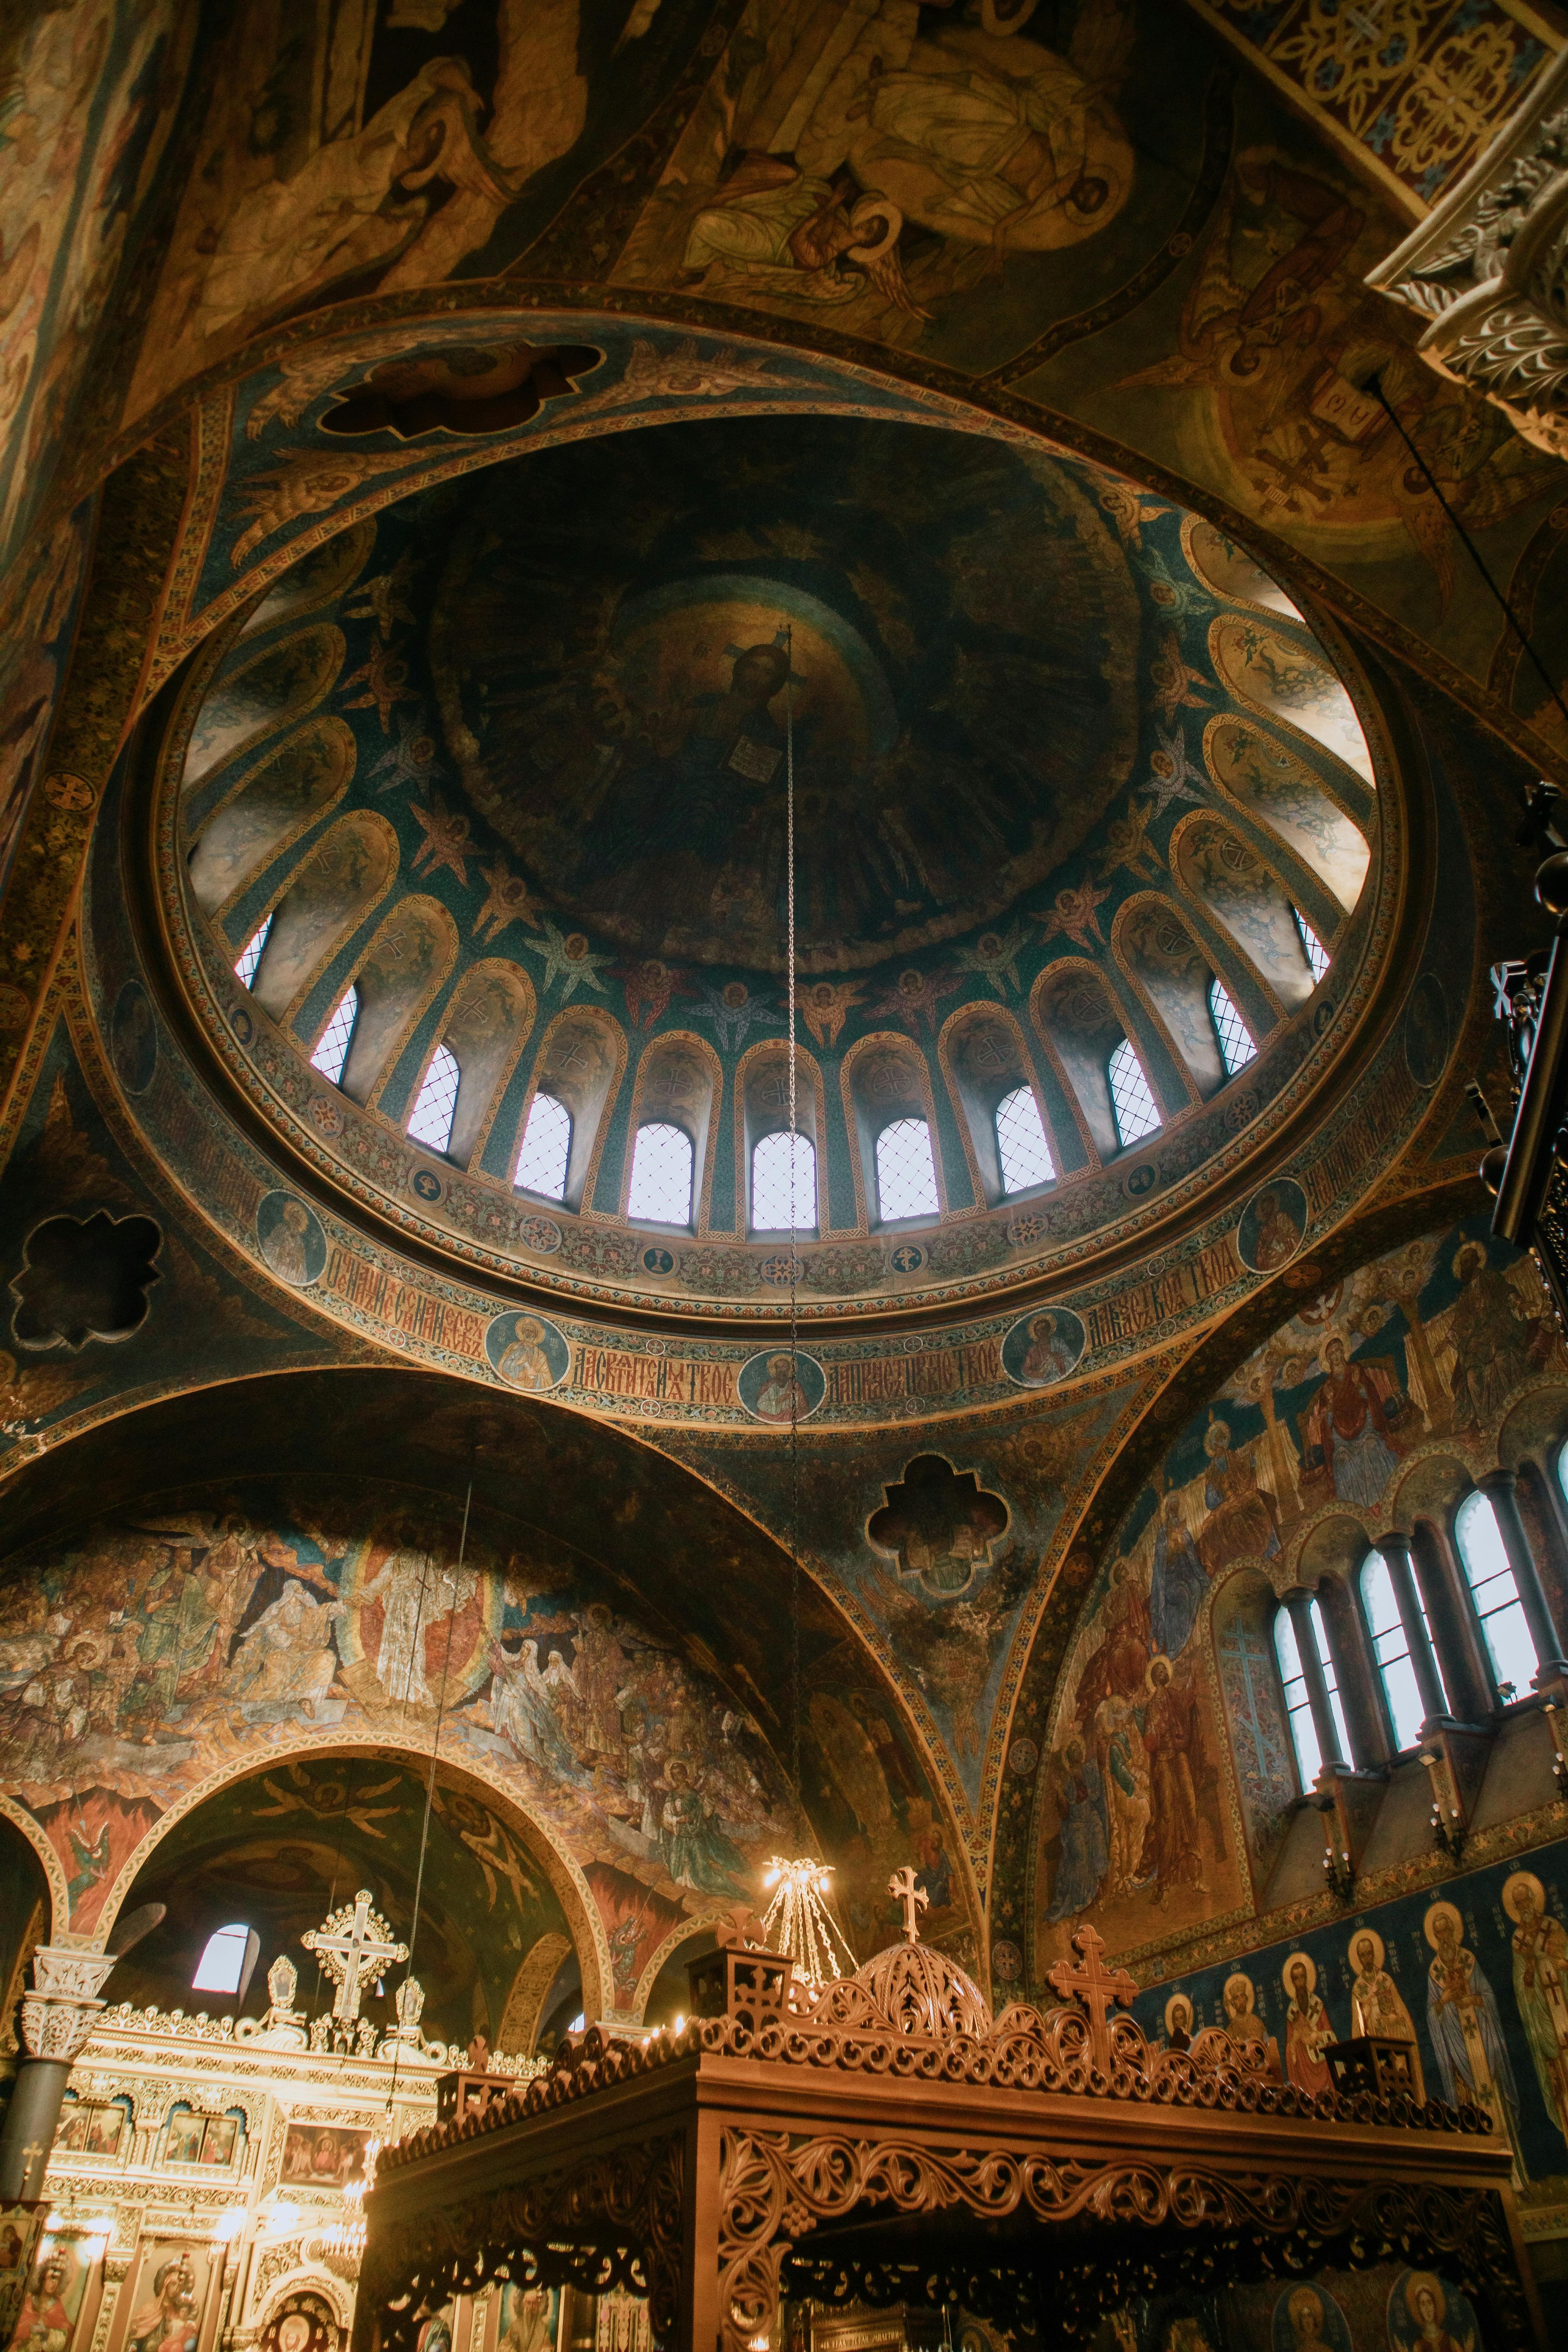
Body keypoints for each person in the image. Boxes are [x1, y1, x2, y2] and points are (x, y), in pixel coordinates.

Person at [1424, 1901, 1522, 2176]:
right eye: (1438, 1933)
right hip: (1459, 2052)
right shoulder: (1434, 1973)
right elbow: (1431, 2013)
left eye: (1446, 1931)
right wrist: (1442, 2003)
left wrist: (1475, 2000)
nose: (1444, 1937)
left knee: (1496, 2105)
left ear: (1454, 1931)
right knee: (1471, 2111)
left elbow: (1489, 1996)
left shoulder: (1469, 1960)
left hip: (1483, 2043)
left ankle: (1513, 2177)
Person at [1502, 1870, 1568, 2150]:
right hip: (1544, 2017)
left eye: (1526, 1900)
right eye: (1518, 1904)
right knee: (1560, 2079)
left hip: (1563, 2002)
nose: (1523, 1907)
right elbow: (1521, 1987)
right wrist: (1530, 1971)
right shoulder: (1518, 1940)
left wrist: (1557, 1964)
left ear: (1534, 1899)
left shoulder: (1552, 1926)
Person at [1304, 1336, 1401, 1508]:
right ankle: (1359, 1508)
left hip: (1366, 1425)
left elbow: (1371, 1396)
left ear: (1343, 1351)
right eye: (1331, 1353)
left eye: (1337, 1350)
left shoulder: (1356, 1370)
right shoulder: (1327, 1388)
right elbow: (1326, 1424)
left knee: (1371, 1447)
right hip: (1341, 1436)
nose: (1335, 1355)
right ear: (1328, 1359)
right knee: (1342, 1462)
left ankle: (1389, 1497)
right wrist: (1331, 1407)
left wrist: (1359, 1387)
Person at [1138, 1657, 1203, 1898]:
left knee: (1189, 1805)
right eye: (1156, 1672)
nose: (1161, 1673)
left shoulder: (1175, 1696)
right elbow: (1149, 1743)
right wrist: (1155, 1731)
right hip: (1164, 1761)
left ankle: (1195, 1871)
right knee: (1166, 1814)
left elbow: (1187, 1704)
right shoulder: (1151, 1707)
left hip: (1179, 1756)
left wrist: (1194, 1672)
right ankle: (1165, 1879)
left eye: (1163, 1669)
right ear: (1153, 1680)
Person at [1347, 1927, 1424, 2096]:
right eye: (1363, 1955)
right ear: (1359, 1959)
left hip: (1393, 2038)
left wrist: (1396, 2019)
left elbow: (1401, 2012)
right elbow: (1357, 2025)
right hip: (1376, 2047)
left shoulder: (1386, 1980)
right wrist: (1368, 2012)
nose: (1367, 1958)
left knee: (1401, 2086)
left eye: (1370, 1954)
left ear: (1374, 1954)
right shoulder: (1357, 1989)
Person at [1045, 1736, 1107, 1922]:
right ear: (1069, 1757)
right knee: (1080, 1855)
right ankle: (1081, 1899)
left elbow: (1097, 1793)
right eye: (1072, 1751)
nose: (1077, 1752)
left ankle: (1099, 1890)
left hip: (1091, 1817)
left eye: (1078, 1749)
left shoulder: (1090, 1770)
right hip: (1075, 1824)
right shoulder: (1065, 1781)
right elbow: (1064, 1813)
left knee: (1098, 1843)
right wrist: (1060, 1796)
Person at [1282, 1954, 1334, 2096]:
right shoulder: (1292, 2011)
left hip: (1322, 2059)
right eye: (1296, 1978)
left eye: (1302, 1977)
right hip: (1304, 2064)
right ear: (1293, 1982)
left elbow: (1331, 2035)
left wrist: (1319, 2035)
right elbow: (1289, 2047)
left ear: (1307, 1978)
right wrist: (1295, 2040)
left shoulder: (1317, 2004)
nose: (1300, 1982)